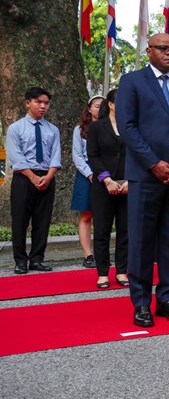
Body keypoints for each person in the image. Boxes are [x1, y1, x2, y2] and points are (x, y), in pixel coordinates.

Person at [117, 33, 169, 328]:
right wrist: (154, 164)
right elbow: (128, 127)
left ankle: (167, 299)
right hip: (145, 174)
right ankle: (141, 303)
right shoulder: (132, 82)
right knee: (141, 240)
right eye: (163, 49)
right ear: (149, 51)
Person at [6, 87, 62, 274]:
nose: (43, 106)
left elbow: (56, 155)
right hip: (24, 178)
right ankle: (20, 261)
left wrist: (49, 176)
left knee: (42, 220)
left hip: (47, 177)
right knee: (20, 220)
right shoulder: (16, 128)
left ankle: (37, 259)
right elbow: (16, 157)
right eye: (39, 102)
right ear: (28, 102)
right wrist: (32, 177)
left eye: (46, 103)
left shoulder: (52, 130)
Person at [87, 89, 128, 289]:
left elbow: (138, 154)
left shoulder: (132, 126)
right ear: (111, 104)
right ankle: (103, 272)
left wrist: (130, 180)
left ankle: (122, 271)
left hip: (128, 185)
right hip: (104, 185)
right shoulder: (97, 127)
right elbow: (93, 156)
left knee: (126, 231)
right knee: (102, 230)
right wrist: (107, 180)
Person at [71, 95, 103, 269]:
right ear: (89, 109)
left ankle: (101, 252)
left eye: (102, 106)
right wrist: (90, 175)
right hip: (86, 174)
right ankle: (88, 254)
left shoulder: (112, 127)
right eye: (96, 106)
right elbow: (77, 156)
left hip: (106, 172)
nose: (99, 109)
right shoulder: (80, 129)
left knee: (104, 215)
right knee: (86, 215)